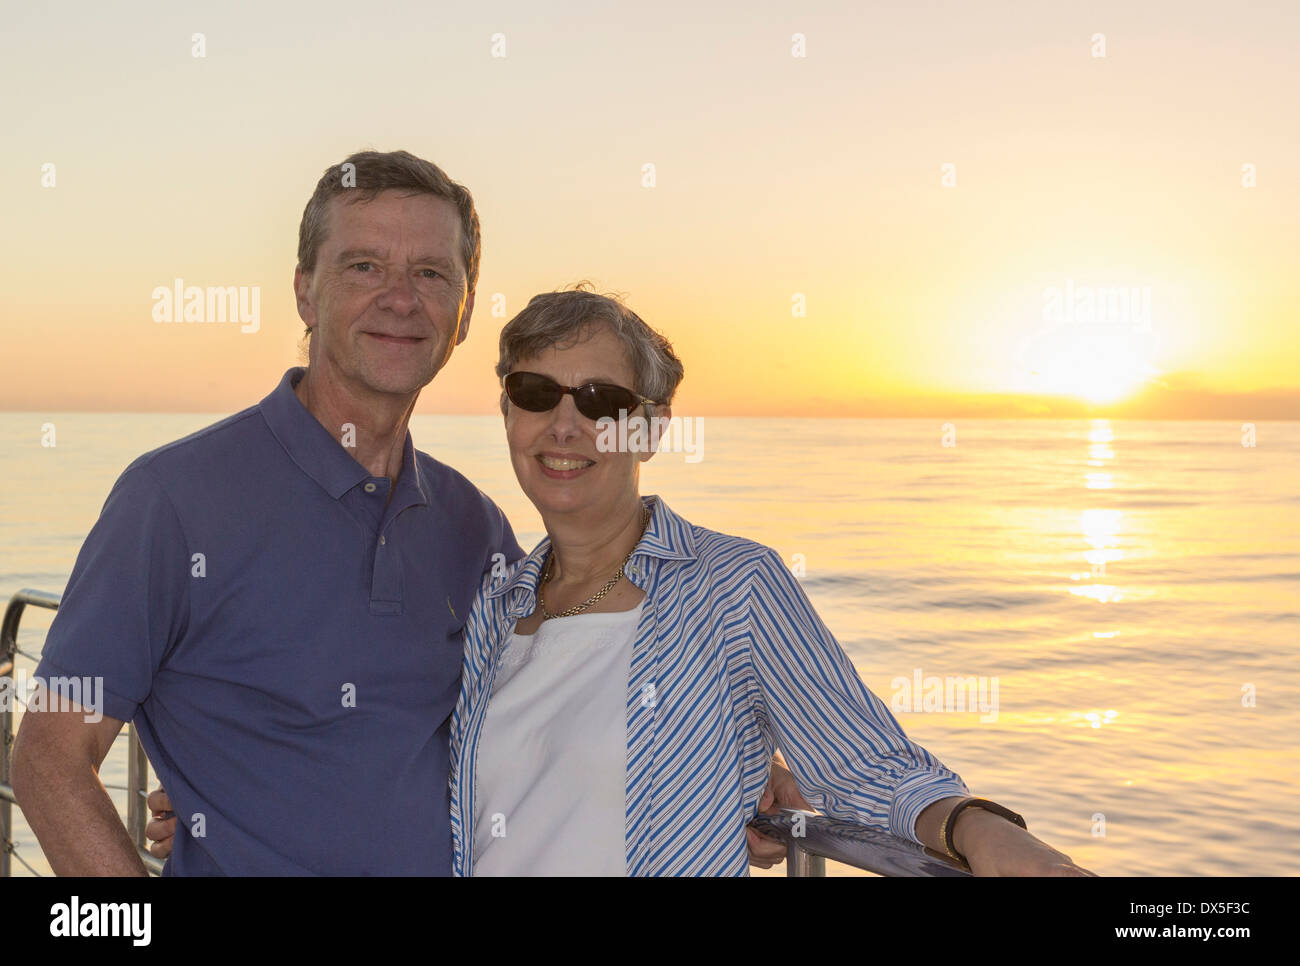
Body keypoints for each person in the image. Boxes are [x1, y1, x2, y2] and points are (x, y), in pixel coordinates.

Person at [13, 150, 793, 876]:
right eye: (364, 266)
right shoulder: (173, 501)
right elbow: (48, 759)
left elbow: (568, 703)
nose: (399, 298)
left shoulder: (474, 524)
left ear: (462, 308)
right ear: (303, 291)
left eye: (429, 272)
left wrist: (737, 755)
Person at [446, 286, 1096, 876]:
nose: (565, 424)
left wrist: (976, 828)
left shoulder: (733, 587)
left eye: (601, 401)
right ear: (508, 412)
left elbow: (863, 765)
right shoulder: (491, 609)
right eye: (536, 393)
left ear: (649, 432)